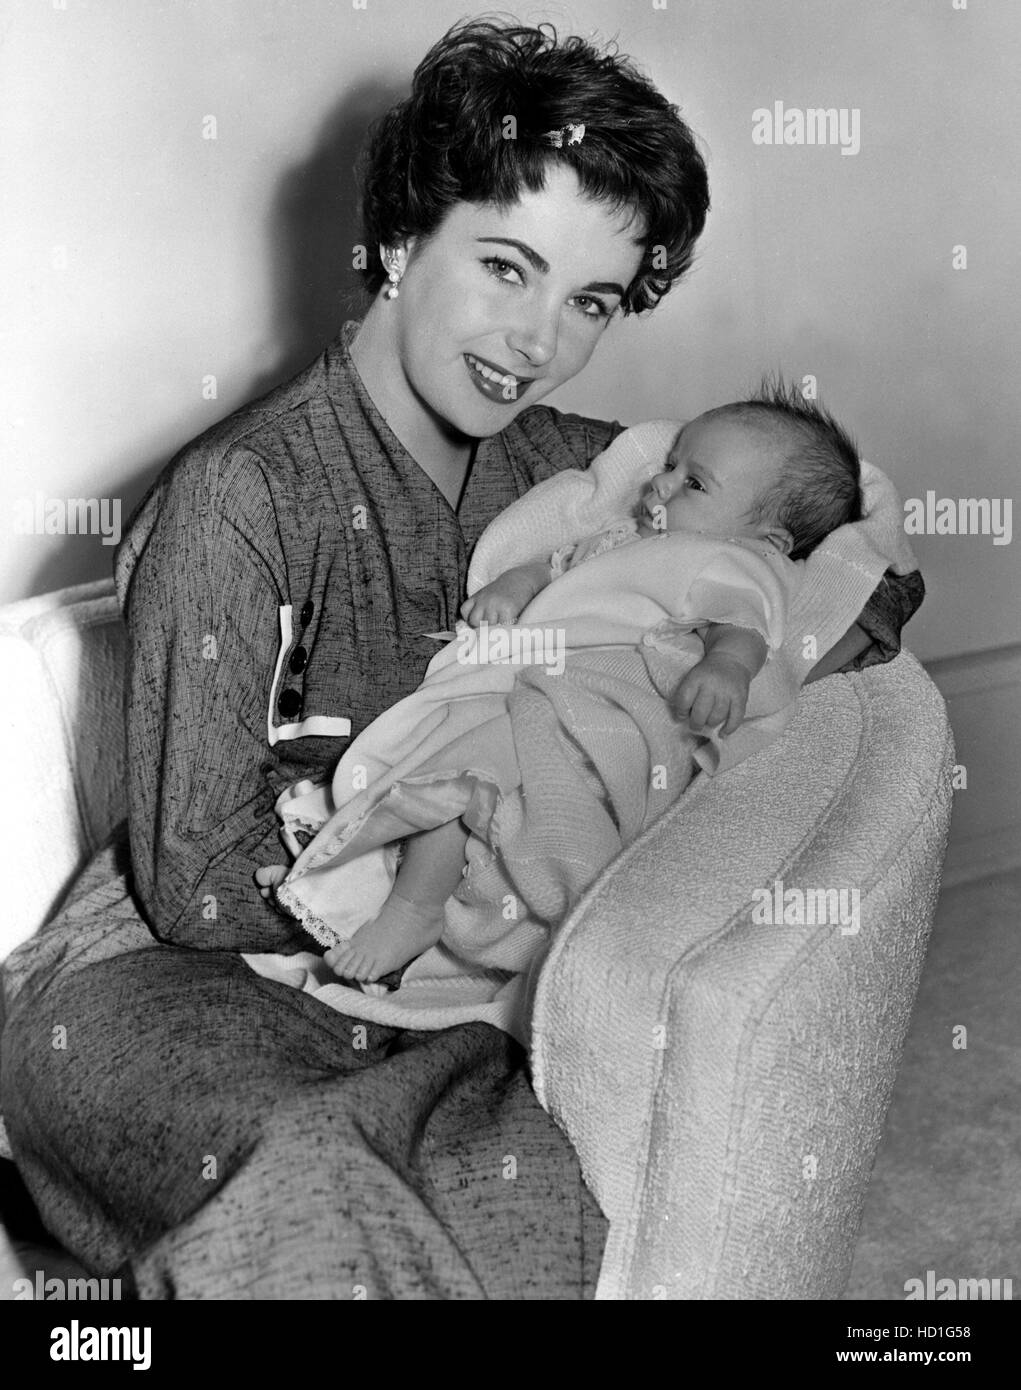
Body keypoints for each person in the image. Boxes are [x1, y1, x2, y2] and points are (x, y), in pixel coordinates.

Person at [0, 19, 922, 1300]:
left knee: (535, 1215)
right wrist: (461, 872)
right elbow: (194, 882)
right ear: (396, 240)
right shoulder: (243, 494)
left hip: (443, 982)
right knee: (311, 1199)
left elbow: (844, 537)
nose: (538, 337)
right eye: (505, 265)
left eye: (589, 299)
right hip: (182, 977)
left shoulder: (582, 473)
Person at [260, 383, 865, 988]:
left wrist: (726, 667)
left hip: (591, 713)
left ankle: (411, 910)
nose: (661, 484)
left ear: (768, 541)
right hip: (531, 685)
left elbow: (744, 627)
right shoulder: (625, 539)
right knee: (440, 767)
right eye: (670, 464)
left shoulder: (733, 563)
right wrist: (512, 588)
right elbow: (554, 568)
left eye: (695, 484)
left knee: (458, 775)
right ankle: (339, 880)